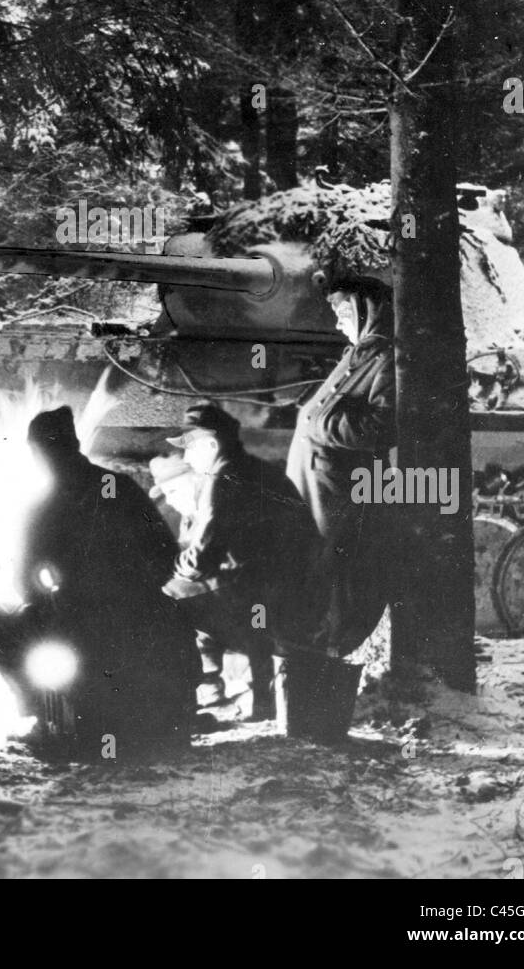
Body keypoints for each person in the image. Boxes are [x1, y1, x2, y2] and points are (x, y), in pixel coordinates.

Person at [0, 407, 197, 755]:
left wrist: (58, 599)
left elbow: (26, 585)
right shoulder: (120, 486)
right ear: (76, 443)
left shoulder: (41, 506)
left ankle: (40, 714)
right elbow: (165, 557)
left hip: (82, 621)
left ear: (36, 453)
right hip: (148, 614)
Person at [162, 401, 319, 717]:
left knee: (166, 597)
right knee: (213, 593)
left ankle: (196, 691)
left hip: (260, 591)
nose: (186, 457)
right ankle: (258, 695)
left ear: (210, 444)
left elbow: (202, 560)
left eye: (188, 448)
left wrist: (168, 565)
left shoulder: (222, 479)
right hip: (297, 586)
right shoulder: (258, 470)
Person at [285, 275, 395, 654]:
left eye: (342, 311)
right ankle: (319, 644)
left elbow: (382, 427)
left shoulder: (384, 358)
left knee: (335, 567)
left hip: (339, 487)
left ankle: (333, 648)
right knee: (314, 563)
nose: (337, 322)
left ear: (367, 310)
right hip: (319, 481)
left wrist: (320, 421)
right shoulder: (359, 353)